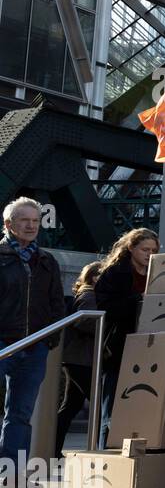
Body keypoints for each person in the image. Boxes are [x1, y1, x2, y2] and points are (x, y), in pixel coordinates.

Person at [0, 197, 67, 465]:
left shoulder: (47, 261)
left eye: (35, 221)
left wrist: (49, 340)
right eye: (24, 220)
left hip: (34, 346)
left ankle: (10, 471)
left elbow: (56, 303)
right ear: (8, 224)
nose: (31, 226)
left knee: (20, 413)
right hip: (3, 343)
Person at [94, 227, 159, 447]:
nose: (149, 254)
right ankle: (105, 454)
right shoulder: (115, 272)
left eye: (153, 249)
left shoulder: (160, 272)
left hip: (150, 347)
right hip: (118, 347)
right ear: (131, 248)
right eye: (144, 249)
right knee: (112, 408)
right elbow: (104, 307)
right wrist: (137, 299)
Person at [55, 262, 102, 456]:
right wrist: (105, 325)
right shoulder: (88, 294)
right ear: (93, 277)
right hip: (81, 359)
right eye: (102, 275)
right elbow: (84, 321)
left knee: (70, 406)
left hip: (78, 358)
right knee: (99, 404)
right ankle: (101, 448)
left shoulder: (88, 294)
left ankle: (53, 448)